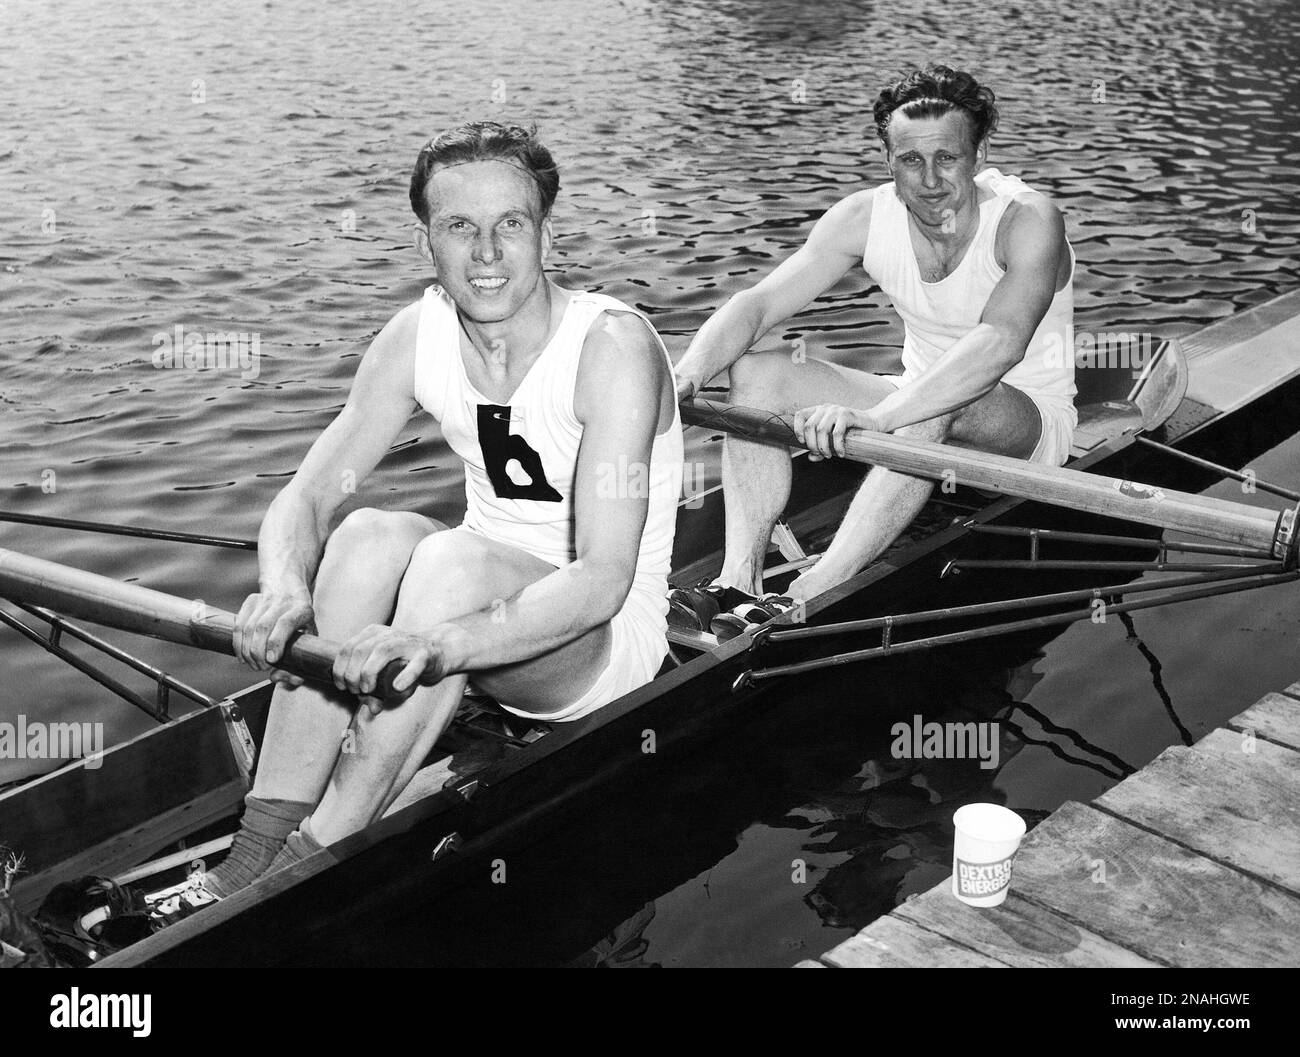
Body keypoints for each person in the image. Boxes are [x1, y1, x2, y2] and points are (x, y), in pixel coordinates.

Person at [157, 122, 683, 912]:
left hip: (596, 647)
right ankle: (259, 843)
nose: (487, 254)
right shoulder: (417, 335)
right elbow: (305, 497)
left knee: (449, 562)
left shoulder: (609, 347)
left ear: (548, 231)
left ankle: (310, 861)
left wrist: (431, 643)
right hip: (468, 620)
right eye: (458, 227)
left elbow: (603, 580)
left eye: (510, 223)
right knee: (367, 533)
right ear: (425, 243)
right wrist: (282, 587)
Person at [673, 64, 1076, 609]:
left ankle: (808, 595)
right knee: (758, 369)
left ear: (979, 156)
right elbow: (759, 304)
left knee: (937, 398)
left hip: (1026, 427)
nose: (930, 180)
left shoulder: (1027, 219)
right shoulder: (863, 216)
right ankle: (736, 583)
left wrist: (882, 419)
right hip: (913, 407)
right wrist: (688, 375)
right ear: (889, 160)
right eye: (911, 160)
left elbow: (1001, 340)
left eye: (947, 158)